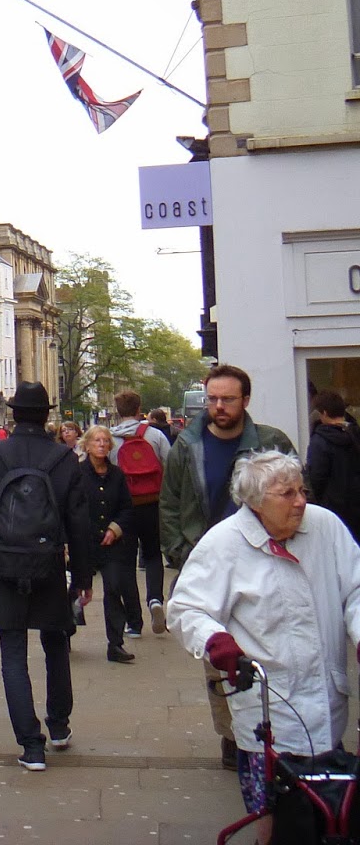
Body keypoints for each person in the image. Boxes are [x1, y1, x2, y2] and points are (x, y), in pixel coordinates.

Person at [167, 452, 360, 845]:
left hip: (326, 702)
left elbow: (356, 589)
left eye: (302, 490)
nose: (300, 501)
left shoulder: (325, 527)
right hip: (270, 708)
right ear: (255, 502)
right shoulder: (224, 543)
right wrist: (216, 641)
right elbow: (187, 608)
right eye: (287, 494)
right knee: (273, 815)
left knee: (331, 810)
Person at [158, 362, 295, 770]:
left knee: (271, 648)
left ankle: (279, 729)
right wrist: (182, 554)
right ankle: (232, 735)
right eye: (212, 398)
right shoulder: (188, 444)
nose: (218, 406)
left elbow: (297, 495)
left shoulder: (271, 442)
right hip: (210, 566)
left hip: (265, 563)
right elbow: (170, 503)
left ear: (245, 401)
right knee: (218, 653)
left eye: (228, 399)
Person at [0, 382, 92, 771]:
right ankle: (59, 726)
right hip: (49, 565)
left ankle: (31, 746)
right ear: (45, 416)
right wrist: (83, 577)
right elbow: (80, 523)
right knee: (56, 644)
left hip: (2, 565)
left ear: (14, 414)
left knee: (13, 656)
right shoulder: (64, 458)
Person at [109, 389, 171, 636]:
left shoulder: (110, 439)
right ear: (139, 409)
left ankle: (134, 623)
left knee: (126, 563)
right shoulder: (154, 435)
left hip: (122, 508)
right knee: (153, 554)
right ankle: (155, 599)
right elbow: (170, 465)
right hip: (151, 503)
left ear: (117, 411)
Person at [79, 425, 137, 663]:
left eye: (105, 441)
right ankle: (64, 633)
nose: (101, 444)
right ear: (87, 445)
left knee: (113, 587)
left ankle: (115, 644)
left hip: (111, 543)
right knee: (74, 591)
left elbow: (127, 507)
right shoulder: (78, 473)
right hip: (83, 542)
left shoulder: (117, 475)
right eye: (97, 441)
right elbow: (70, 506)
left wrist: (115, 528)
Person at [308, 389, 360, 544]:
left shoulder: (320, 440)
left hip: (333, 510)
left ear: (323, 413)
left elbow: (316, 478)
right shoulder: (356, 434)